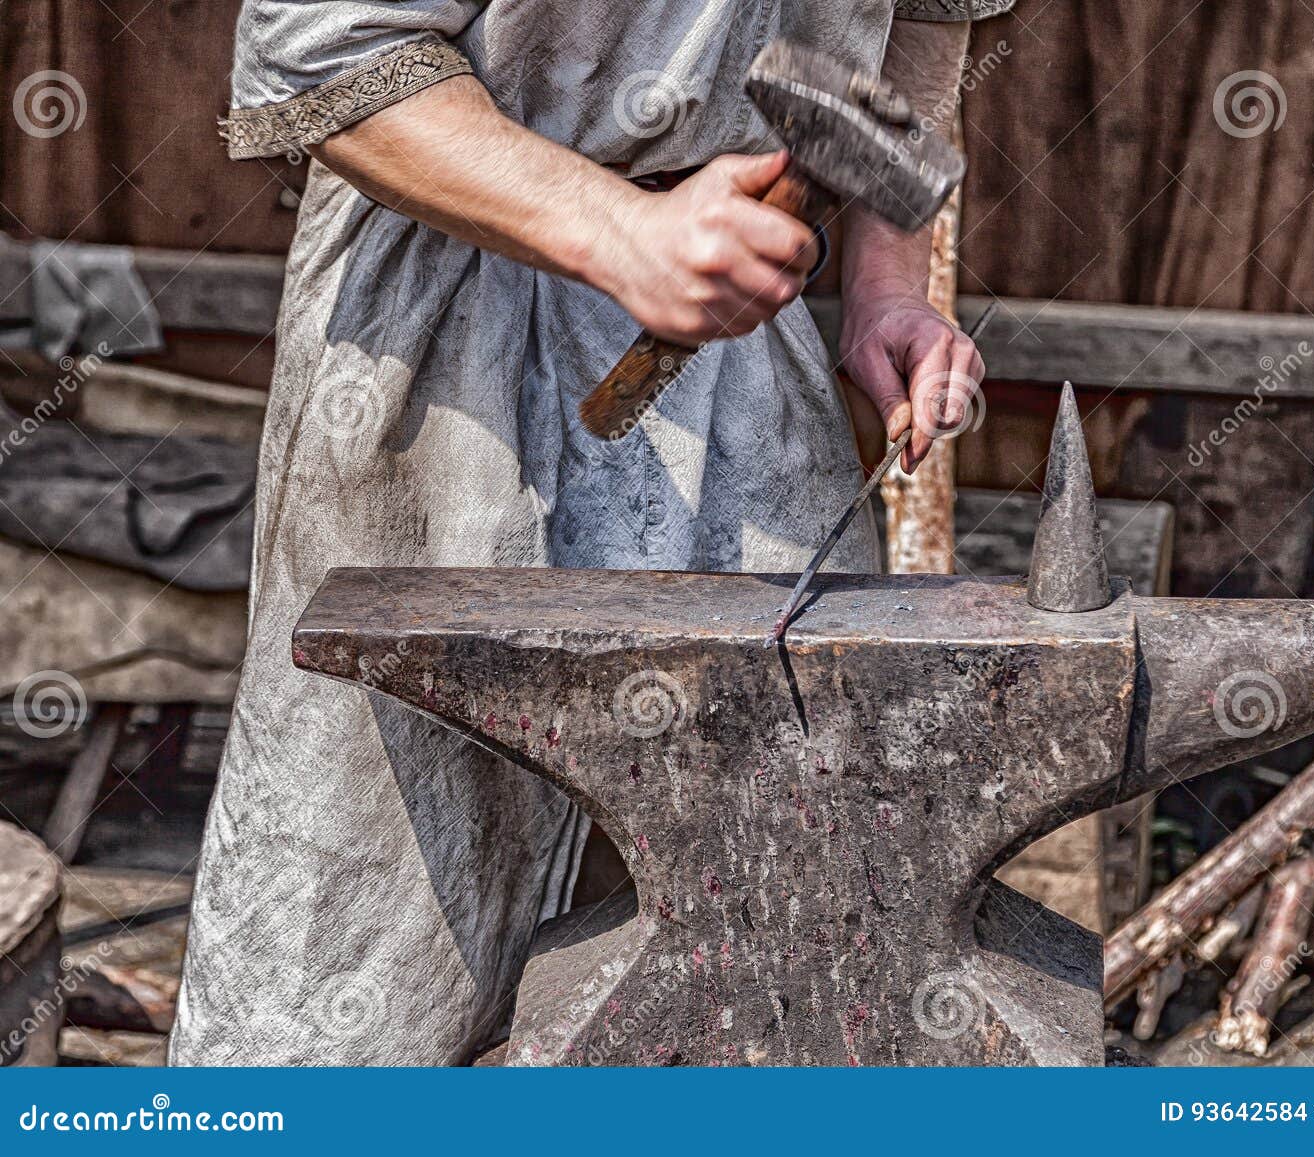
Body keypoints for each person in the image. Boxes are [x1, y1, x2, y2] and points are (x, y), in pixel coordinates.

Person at [171, 0, 1013, 1064]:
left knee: (760, 907)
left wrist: (888, 287)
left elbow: (927, 24)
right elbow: (322, 45)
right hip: (449, 337)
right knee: (375, 939)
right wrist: (622, 232)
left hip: (739, 348)